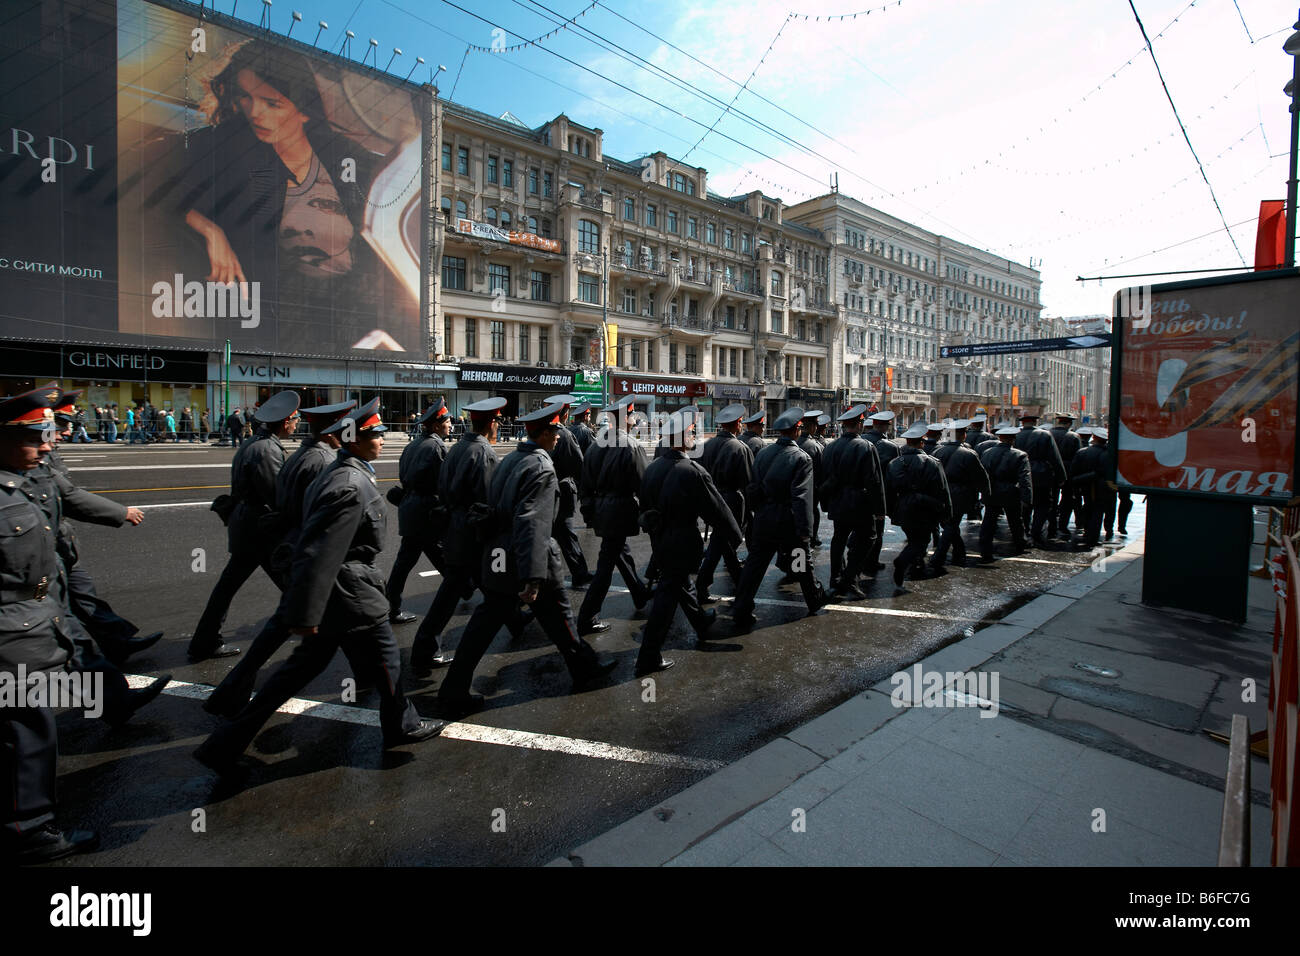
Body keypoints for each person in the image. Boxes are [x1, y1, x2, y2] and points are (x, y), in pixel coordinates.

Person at [194, 399, 444, 776]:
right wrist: (305, 611)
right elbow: (323, 549)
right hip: (348, 589)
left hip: (336, 590)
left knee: (297, 671)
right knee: (386, 659)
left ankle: (224, 743)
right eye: (373, 434)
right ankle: (401, 725)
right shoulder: (346, 480)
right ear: (352, 438)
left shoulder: (342, 469)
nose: (380, 439)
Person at [179, 40, 403, 353]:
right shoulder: (227, 147)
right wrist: (210, 230)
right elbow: (167, 191)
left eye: (273, 103)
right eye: (246, 96)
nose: (255, 112)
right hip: (282, 309)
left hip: (357, 308)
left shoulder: (346, 158)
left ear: (304, 111)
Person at [435, 402, 617, 717]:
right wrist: (532, 576)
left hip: (499, 554)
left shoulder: (512, 459)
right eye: (555, 431)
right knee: (543, 615)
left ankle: (583, 665)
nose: (559, 436)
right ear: (544, 433)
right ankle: (453, 690)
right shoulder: (542, 466)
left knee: (550, 617)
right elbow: (531, 521)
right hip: (530, 558)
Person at [202, 399, 357, 718]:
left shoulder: (265, 445)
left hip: (261, 530)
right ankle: (232, 692)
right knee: (299, 610)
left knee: (270, 601)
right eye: (292, 418)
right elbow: (282, 497)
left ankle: (218, 662)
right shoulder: (275, 451)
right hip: (265, 532)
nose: (295, 423)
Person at [0, 388, 98, 863]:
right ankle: (30, 830)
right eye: (35, 436)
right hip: (12, 640)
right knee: (28, 733)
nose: (46, 445)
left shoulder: (18, 484)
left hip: (29, 625)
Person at [31, 389, 164, 667]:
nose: (65, 432)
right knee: (61, 613)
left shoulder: (43, 452)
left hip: (58, 542)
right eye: (61, 425)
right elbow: (68, 496)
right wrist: (121, 512)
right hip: (42, 548)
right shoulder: (33, 458)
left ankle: (116, 645)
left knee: (81, 593)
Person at [412, 397, 532, 675]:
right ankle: (424, 649)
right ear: (492, 422)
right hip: (473, 532)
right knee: (461, 590)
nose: (500, 425)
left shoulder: (457, 447)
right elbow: (490, 500)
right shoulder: (484, 453)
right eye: (499, 421)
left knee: (482, 587)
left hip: (454, 528)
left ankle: (514, 621)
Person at [188, 390, 301, 661]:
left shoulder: (255, 443)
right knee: (293, 581)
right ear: (286, 422)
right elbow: (276, 495)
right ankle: (313, 626)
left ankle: (204, 640)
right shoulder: (267, 450)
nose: (297, 423)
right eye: (295, 419)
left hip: (248, 527)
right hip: (259, 531)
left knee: (231, 586)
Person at [635, 411, 737, 676]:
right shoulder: (693, 471)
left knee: (681, 585)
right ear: (681, 437)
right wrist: (735, 536)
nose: (694, 436)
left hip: (660, 540)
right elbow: (717, 510)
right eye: (692, 432)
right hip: (682, 540)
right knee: (666, 600)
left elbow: (644, 507)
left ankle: (701, 624)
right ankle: (648, 656)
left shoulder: (653, 467)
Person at [731, 407, 829, 631]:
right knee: (800, 562)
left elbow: (753, 488)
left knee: (755, 566)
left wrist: (759, 510)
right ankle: (813, 600)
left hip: (765, 517)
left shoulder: (764, 453)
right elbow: (801, 497)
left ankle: (741, 607)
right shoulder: (802, 458)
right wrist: (805, 531)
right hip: (789, 521)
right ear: (796, 430)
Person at [576, 395, 652, 634]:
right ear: (628, 418)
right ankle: (588, 616)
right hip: (620, 509)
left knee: (619, 552)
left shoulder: (596, 444)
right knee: (605, 565)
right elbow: (644, 485)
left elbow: (584, 484)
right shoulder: (631, 445)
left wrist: (590, 510)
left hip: (601, 508)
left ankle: (639, 595)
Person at [385, 400, 452, 624]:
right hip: (428, 513)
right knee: (442, 557)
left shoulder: (412, 445)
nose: (450, 425)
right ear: (435, 426)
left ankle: (393, 606)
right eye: (447, 421)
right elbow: (444, 482)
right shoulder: (437, 447)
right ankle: (462, 588)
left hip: (410, 509)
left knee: (412, 561)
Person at [819, 403, 886, 599]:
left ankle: (835, 580)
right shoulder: (866, 446)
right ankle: (848, 579)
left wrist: (826, 503)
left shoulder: (830, 447)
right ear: (860, 424)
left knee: (838, 539)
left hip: (838, 500)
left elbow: (825, 478)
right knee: (868, 538)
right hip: (860, 502)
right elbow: (874, 481)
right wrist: (880, 509)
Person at [695, 403, 753, 605]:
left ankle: (740, 583)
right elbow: (747, 482)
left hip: (712, 498)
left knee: (725, 544)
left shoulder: (707, 446)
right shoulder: (740, 448)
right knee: (720, 544)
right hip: (731, 501)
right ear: (737, 424)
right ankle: (702, 586)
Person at [885, 423, 952, 592]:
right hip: (925, 508)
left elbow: (889, 490)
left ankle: (916, 563)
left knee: (913, 537)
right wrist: (946, 512)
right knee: (921, 541)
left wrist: (890, 510)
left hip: (904, 508)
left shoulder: (895, 463)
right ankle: (903, 561)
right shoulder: (932, 462)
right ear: (921, 442)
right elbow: (942, 490)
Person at [544, 394, 593, 589]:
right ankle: (578, 574)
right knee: (565, 534)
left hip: (547, 492)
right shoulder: (563, 434)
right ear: (565, 414)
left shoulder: (549, 431)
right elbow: (579, 464)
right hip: (562, 491)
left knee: (556, 535)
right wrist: (586, 490)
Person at [930, 420, 990, 572]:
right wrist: (985, 493)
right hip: (960, 494)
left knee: (949, 524)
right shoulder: (969, 454)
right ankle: (939, 557)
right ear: (963, 435)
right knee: (951, 525)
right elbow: (980, 476)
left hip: (940, 492)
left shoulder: (938, 451)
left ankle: (959, 552)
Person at [978, 424, 1033, 563]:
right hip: (1010, 492)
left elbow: (982, 474)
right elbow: (1025, 478)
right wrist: (1027, 498)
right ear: (1013, 439)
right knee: (1015, 521)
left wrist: (982, 492)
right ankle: (1020, 545)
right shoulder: (1020, 455)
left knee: (989, 521)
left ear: (1000, 438)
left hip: (991, 491)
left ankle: (985, 549)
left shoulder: (987, 452)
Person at [1013, 413, 1066, 546]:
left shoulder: (1016, 436)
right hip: (1042, 474)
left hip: (1022, 474)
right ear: (1035, 421)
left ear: (1023, 423)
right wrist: (1061, 477)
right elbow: (1055, 458)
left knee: (1025, 505)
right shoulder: (1045, 435)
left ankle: (1025, 531)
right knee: (1042, 505)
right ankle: (1036, 532)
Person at [862, 410, 900, 575]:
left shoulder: (860, 442)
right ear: (884, 427)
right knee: (877, 530)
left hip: (860, 492)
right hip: (881, 493)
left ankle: (860, 558)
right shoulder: (891, 447)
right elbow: (895, 473)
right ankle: (872, 561)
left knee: (860, 528)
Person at [1048, 413, 1082, 540]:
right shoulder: (1073, 436)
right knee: (1067, 500)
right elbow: (1078, 456)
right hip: (1069, 471)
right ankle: (1062, 525)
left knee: (1051, 499)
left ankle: (1051, 526)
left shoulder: (1048, 434)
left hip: (1051, 470)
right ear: (1069, 424)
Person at [797, 410, 826, 548]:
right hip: (811, 488)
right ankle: (812, 537)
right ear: (813, 426)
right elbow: (821, 471)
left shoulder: (794, 442)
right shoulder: (816, 446)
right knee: (813, 511)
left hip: (794, 487)